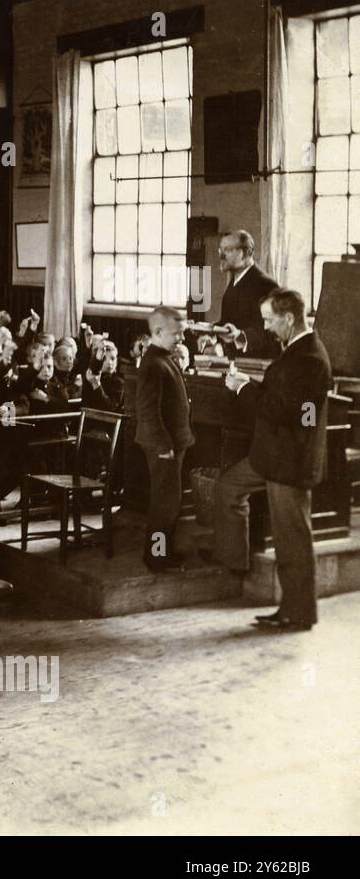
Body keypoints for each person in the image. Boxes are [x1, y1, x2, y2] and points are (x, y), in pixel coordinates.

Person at [206, 290, 332, 631]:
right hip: (273, 456)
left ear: (288, 319)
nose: (266, 327)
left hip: (288, 463)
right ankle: (235, 566)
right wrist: (253, 385)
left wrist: (244, 388)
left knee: (292, 539)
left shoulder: (309, 358)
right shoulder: (296, 352)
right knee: (229, 488)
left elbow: (286, 412)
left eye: (268, 320)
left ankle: (299, 612)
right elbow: (287, 400)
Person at [134, 307, 193, 571]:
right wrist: (164, 446)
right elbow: (148, 411)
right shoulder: (153, 363)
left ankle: (162, 552)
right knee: (164, 504)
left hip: (171, 444)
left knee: (169, 502)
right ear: (157, 332)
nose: (181, 338)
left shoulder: (163, 357)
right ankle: (157, 558)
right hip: (163, 447)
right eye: (176, 334)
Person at [214, 230, 280, 359]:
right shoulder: (235, 281)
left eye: (227, 250)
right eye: (220, 250)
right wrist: (211, 331)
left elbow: (272, 333)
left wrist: (240, 335)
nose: (221, 256)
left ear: (246, 253)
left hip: (255, 365)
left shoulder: (265, 285)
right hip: (235, 362)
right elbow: (231, 322)